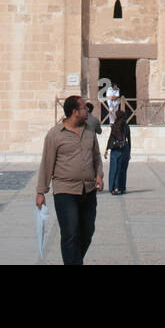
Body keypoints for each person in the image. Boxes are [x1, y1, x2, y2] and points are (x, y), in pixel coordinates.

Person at [36, 95, 103, 265]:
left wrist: (99, 175)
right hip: (65, 190)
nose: (87, 110)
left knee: (87, 231)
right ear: (74, 112)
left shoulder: (89, 131)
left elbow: (96, 156)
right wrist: (40, 192)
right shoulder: (54, 134)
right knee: (70, 232)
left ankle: (75, 261)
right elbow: (46, 163)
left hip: (88, 189)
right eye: (83, 108)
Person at [106, 106, 131, 195]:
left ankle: (115, 188)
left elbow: (110, 138)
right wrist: (129, 152)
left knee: (114, 169)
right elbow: (129, 139)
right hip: (125, 149)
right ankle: (122, 188)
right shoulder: (126, 126)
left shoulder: (115, 126)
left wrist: (106, 149)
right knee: (123, 169)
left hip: (116, 149)